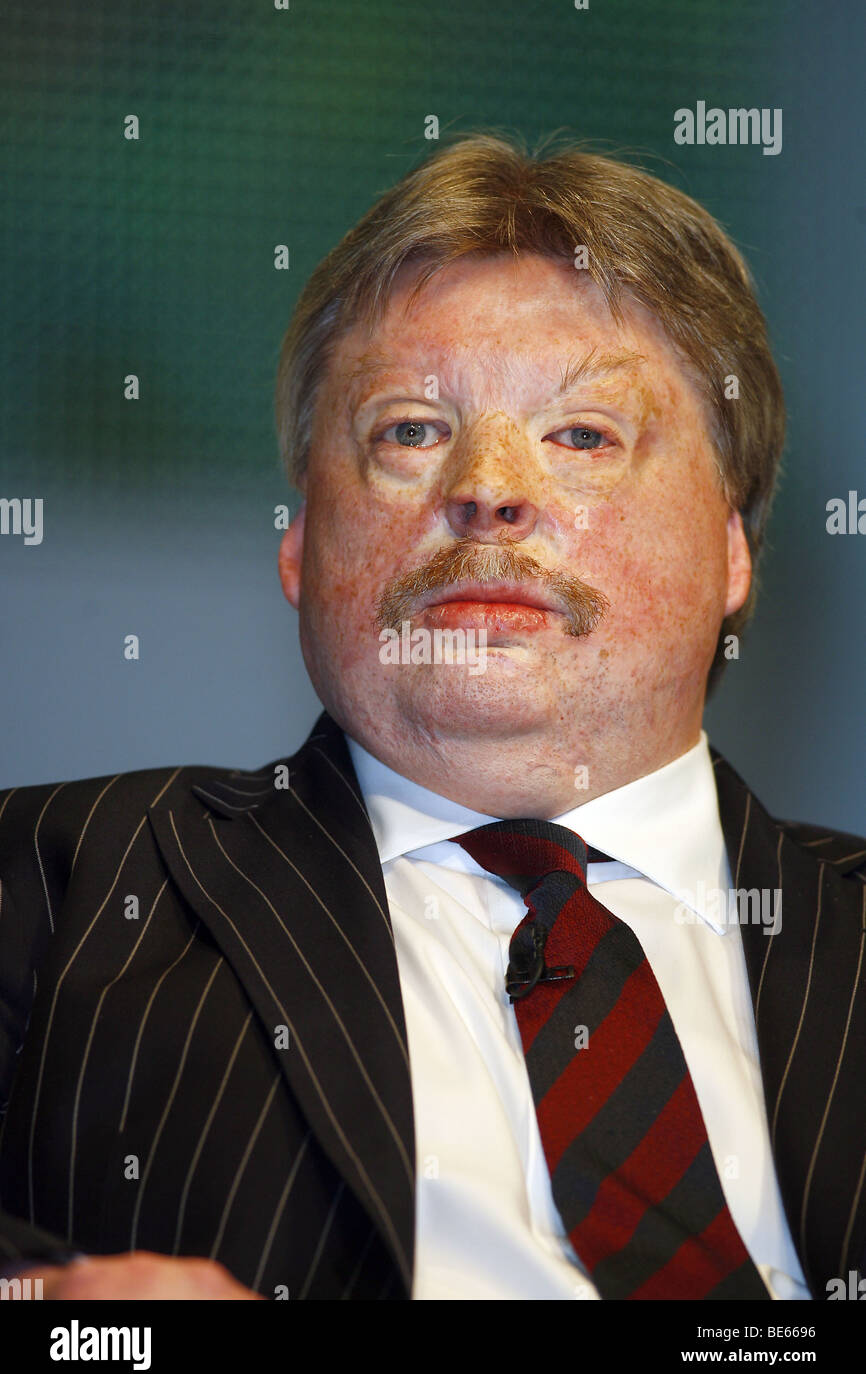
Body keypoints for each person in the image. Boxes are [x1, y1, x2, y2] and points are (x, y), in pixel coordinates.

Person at [1, 134, 864, 1302]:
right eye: (410, 428)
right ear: (302, 544)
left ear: (730, 552)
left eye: (581, 435)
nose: (486, 483)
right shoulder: (51, 889)